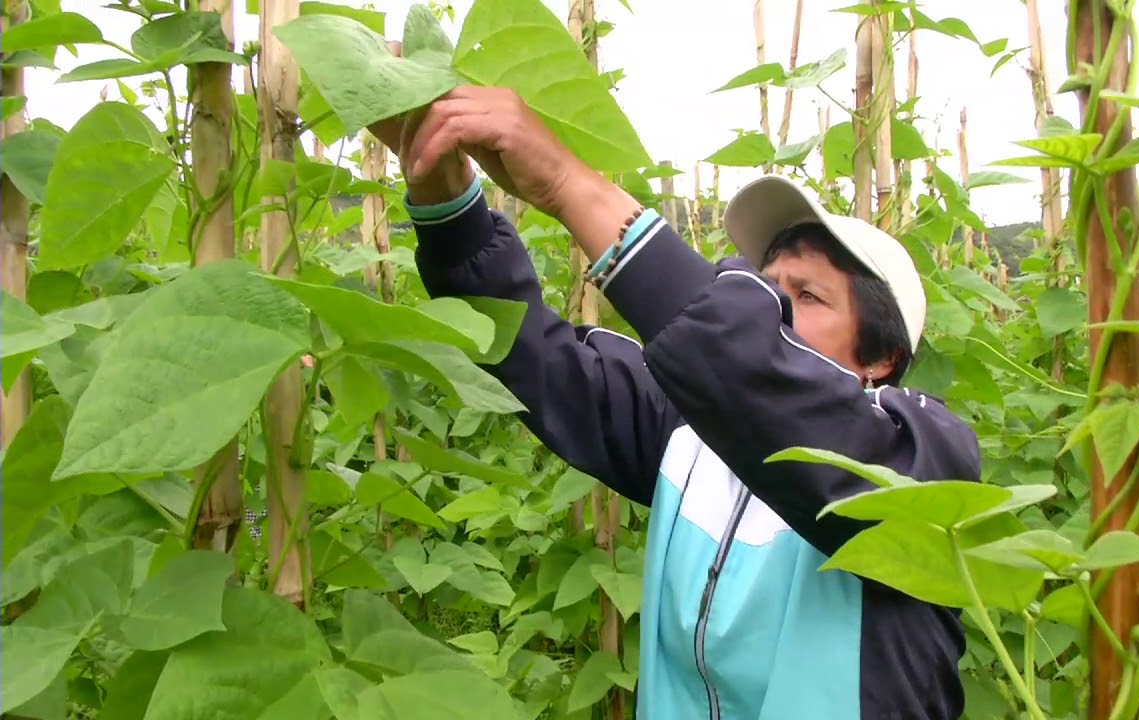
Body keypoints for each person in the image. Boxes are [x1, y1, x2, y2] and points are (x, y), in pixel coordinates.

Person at [368, 84, 981, 720]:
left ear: (882, 359)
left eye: (809, 295)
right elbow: (536, 362)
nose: (772, 311)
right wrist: (448, 201)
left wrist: (564, 183)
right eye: (763, 290)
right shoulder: (690, 438)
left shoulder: (922, 465)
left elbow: (749, 371)